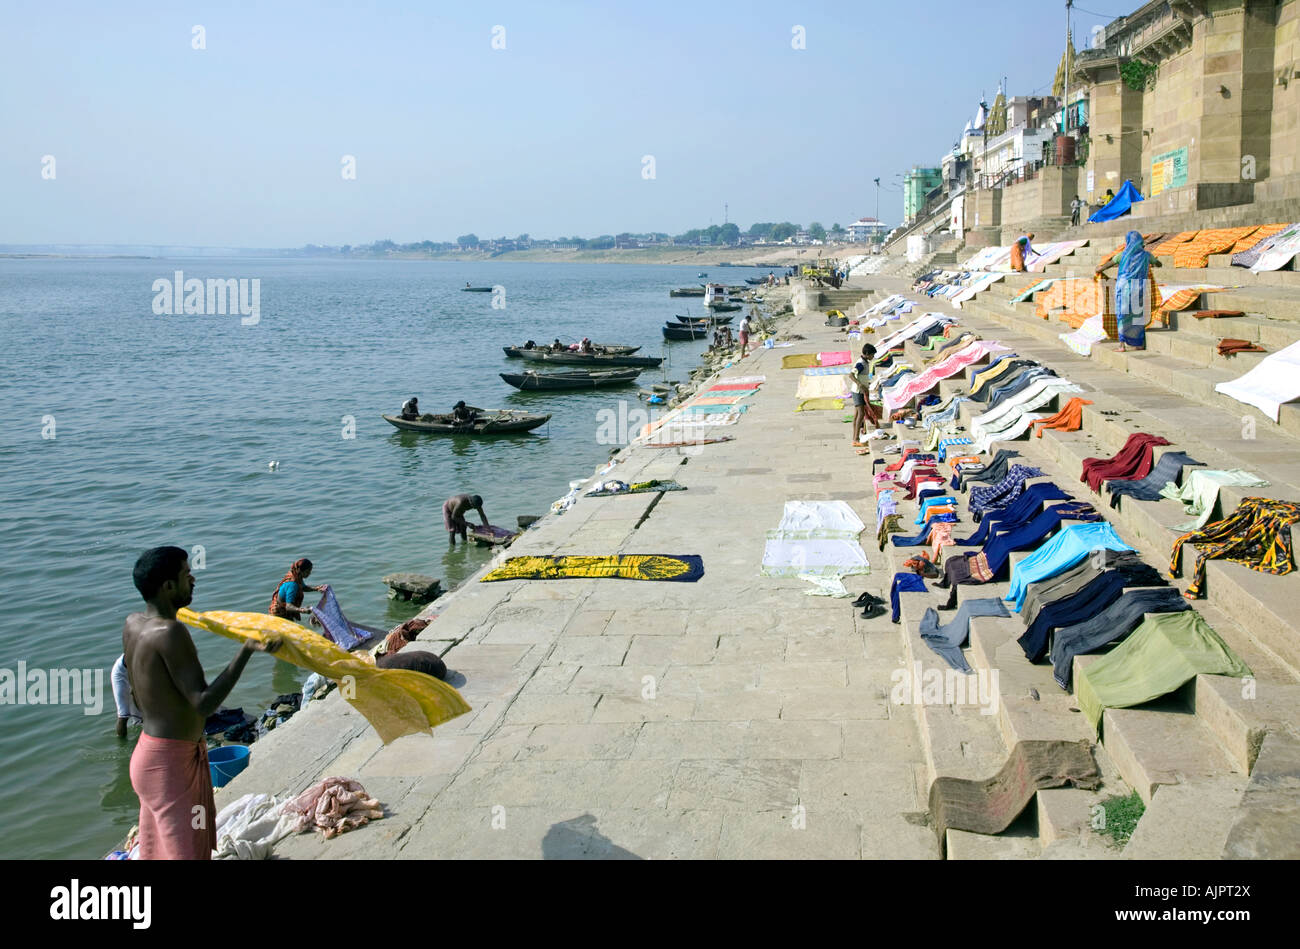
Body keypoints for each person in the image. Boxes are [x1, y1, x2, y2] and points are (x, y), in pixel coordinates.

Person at [123, 546, 281, 859]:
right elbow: (203, 703)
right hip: (170, 765)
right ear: (168, 587)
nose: (193, 579)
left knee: (159, 852)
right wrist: (246, 650)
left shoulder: (133, 624)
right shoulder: (171, 632)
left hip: (149, 755)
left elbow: (139, 693)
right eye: (186, 574)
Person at [1094, 230, 1162, 352]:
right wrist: (1154, 262)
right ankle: (1138, 344)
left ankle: (1122, 345)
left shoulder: (1122, 255)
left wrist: (1099, 268)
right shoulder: (1146, 255)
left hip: (1124, 289)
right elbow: (1158, 264)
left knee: (1122, 315)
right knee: (1137, 315)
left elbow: (1106, 265)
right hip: (1138, 288)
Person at [849, 343, 879, 447]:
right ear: (866, 354)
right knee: (861, 414)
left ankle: (855, 437)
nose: (872, 357)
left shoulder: (865, 362)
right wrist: (860, 385)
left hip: (859, 391)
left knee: (857, 415)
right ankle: (856, 439)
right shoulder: (861, 364)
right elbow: (851, 375)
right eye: (871, 355)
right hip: (858, 391)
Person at [111, 653, 142, 738]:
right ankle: (121, 743)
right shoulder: (142, 650)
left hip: (137, 671)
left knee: (140, 718)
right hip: (121, 673)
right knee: (123, 714)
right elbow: (134, 691)